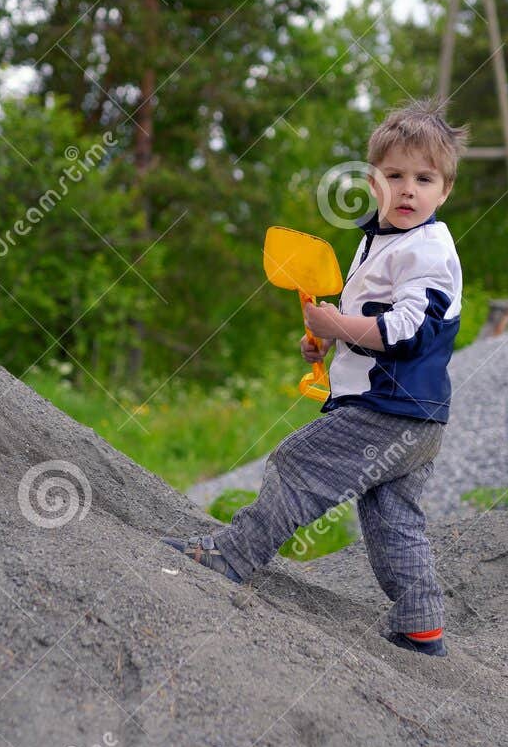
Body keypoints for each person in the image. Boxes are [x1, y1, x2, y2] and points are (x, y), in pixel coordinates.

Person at [163, 98, 465, 656]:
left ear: (444, 191)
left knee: (297, 464)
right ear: (372, 183)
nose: (407, 190)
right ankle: (420, 623)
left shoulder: (426, 249)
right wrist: (327, 336)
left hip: (387, 408)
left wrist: (339, 323)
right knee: (391, 515)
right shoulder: (381, 241)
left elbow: (409, 331)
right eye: (394, 175)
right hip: (417, 417)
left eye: (423, 179)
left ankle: (232, 555)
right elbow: (371, 315)